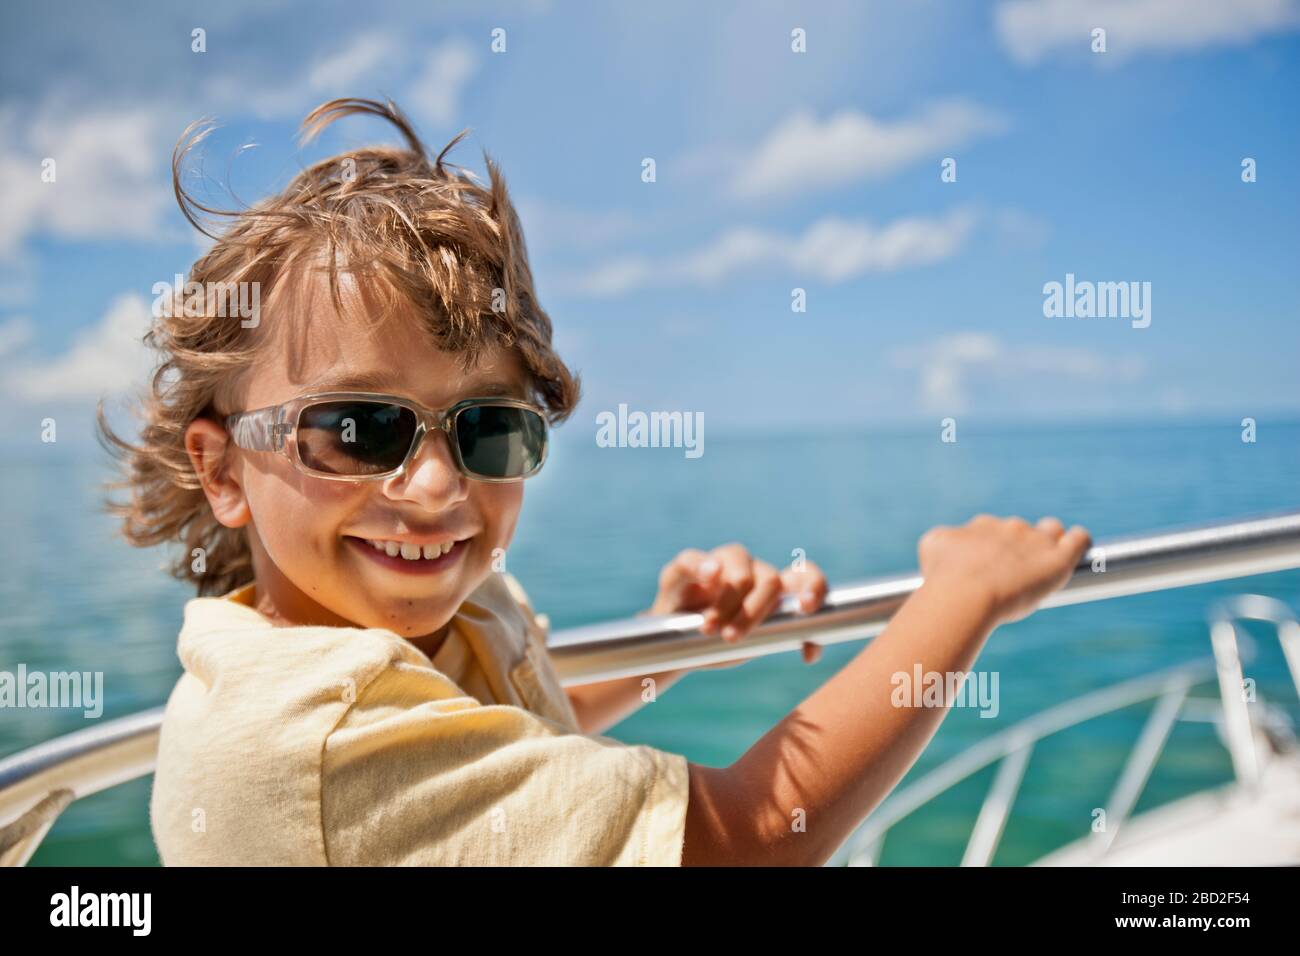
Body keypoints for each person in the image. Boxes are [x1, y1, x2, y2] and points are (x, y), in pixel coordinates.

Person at [101, 96, 1089, 866]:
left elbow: (500, 717)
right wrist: (964, 596)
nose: (437, 483)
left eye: (489, 428)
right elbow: (744, 841)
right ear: (224, 470)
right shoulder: (315, 733)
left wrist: (668, 643)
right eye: (358, 428)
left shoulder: (375, 623)